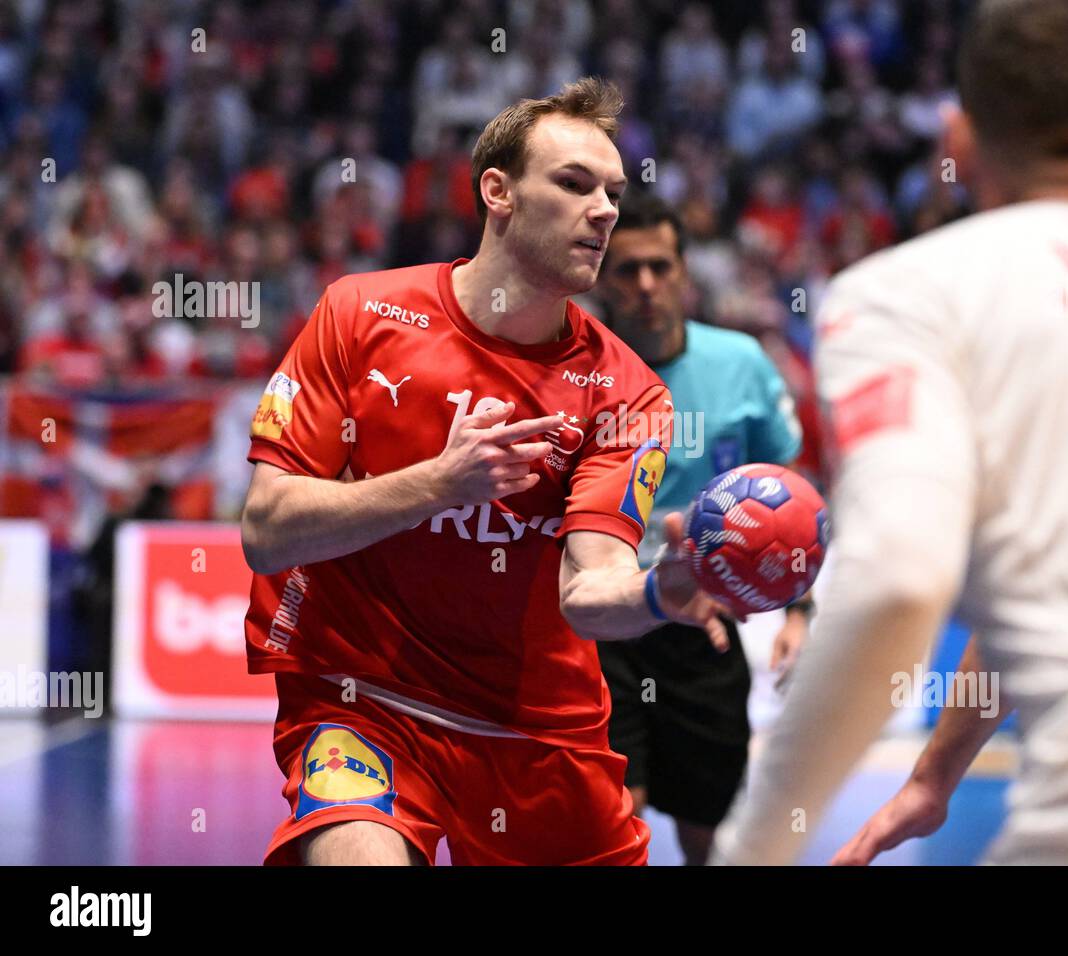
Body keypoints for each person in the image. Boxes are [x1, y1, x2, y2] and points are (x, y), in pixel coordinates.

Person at [711, 0, 1068, 866]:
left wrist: (758, 846)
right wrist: (933, 778)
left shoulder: (923, 295)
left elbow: (900, 582)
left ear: (955, 142)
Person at [239, 77, 732, 866]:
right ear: (497, 192)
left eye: (612, 191)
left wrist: (656, 591)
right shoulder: (359, 314)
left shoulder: (630, 393)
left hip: (538, 728)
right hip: (362, 701)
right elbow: (265, 530)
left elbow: (589, 584)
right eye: (574, 184)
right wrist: (440, 482)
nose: (604, 210)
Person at [591, 193, 807, 865]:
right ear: (603, 277)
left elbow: (787, 494)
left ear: (684, 271)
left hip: (708, 630)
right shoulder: (572, 370)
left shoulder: (742, 363)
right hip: (602, 626)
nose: (646, 285)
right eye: (627, 270)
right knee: (612, 817)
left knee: (704, 830)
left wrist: (798, 610)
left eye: (660, 266)